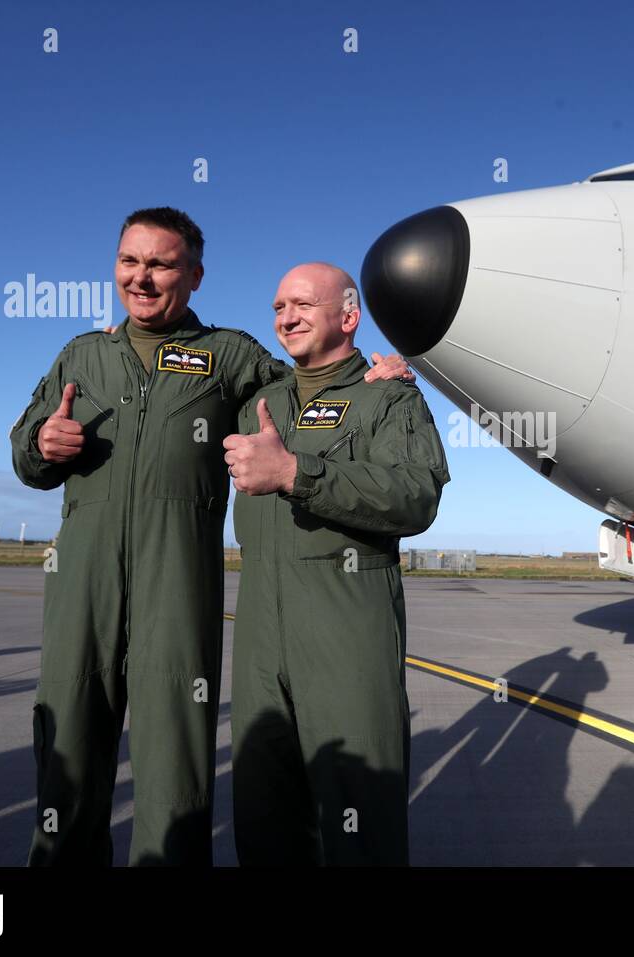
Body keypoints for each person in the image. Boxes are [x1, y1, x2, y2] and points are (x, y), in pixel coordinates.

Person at [10, 209, 410, 865]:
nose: (141, 277)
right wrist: (40, 445)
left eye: (161, 264)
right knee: (68, 744)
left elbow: (299, 396)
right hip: (82, 581)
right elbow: (25, 449)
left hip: (179, 580)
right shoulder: (83, 354)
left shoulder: (226, 355)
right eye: (129, 262)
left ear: (193, 275)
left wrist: (362, 382)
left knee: (174, 761)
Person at [225, 262, 449, 865]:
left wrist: (298, 474)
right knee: (263, 813)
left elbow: (416, 495)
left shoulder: (387, 395)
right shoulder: (261, 400)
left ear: (348, 316)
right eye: (277, 307)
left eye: (302, 304)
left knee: (360, 821)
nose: (285, 317)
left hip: (347, 636)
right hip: (259, 642)